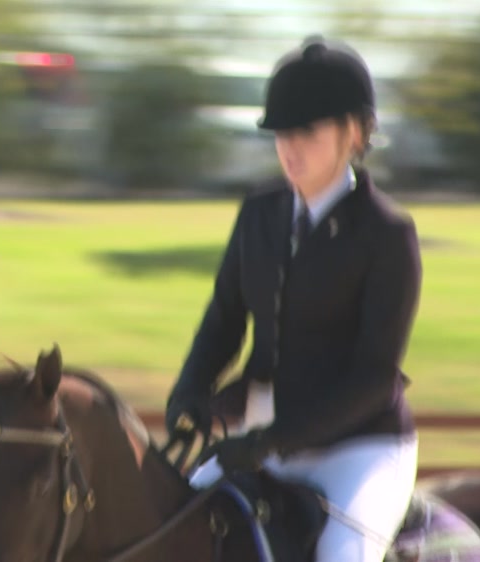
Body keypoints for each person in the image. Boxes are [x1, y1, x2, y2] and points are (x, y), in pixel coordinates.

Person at [164, 35, 422, 562]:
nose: (290, 146)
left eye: (306, 130)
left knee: (341, 556)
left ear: (354, 132)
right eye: (281, 132)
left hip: (359, 451)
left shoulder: (387, 234)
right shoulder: (259, 214)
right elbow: (223, 321)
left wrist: (268, 442)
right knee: (170, 529)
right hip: (258, 439)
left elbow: (373, 379)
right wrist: (190, 389)